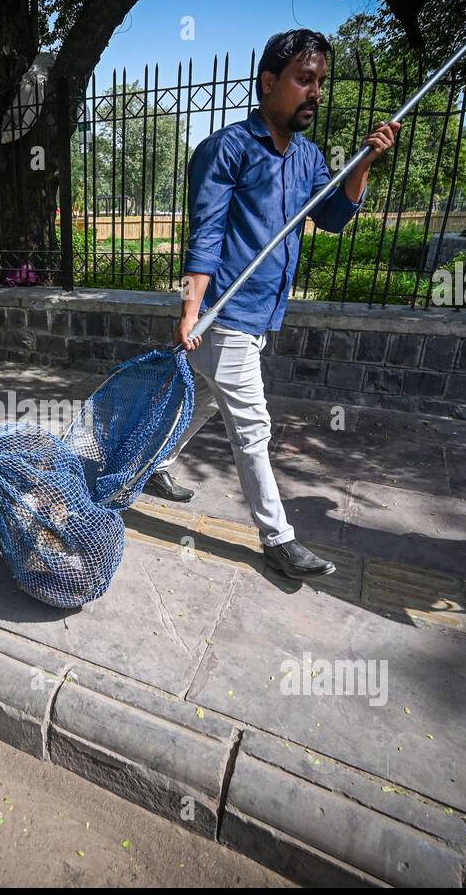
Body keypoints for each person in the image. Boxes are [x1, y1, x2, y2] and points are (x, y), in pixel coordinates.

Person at [145, 28, 400, 581]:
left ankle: (154, 464)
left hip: (261, 313)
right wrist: (189, 311)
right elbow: (206, 235)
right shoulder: (225, 150)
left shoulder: (308, 158)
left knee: (207, 402)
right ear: (269, 82)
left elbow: (331, 218)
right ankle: (278, 539)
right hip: (224, 313)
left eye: (320, 83)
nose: (315, 92)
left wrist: (363, 164)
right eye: (304, 80)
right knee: (253, 426)